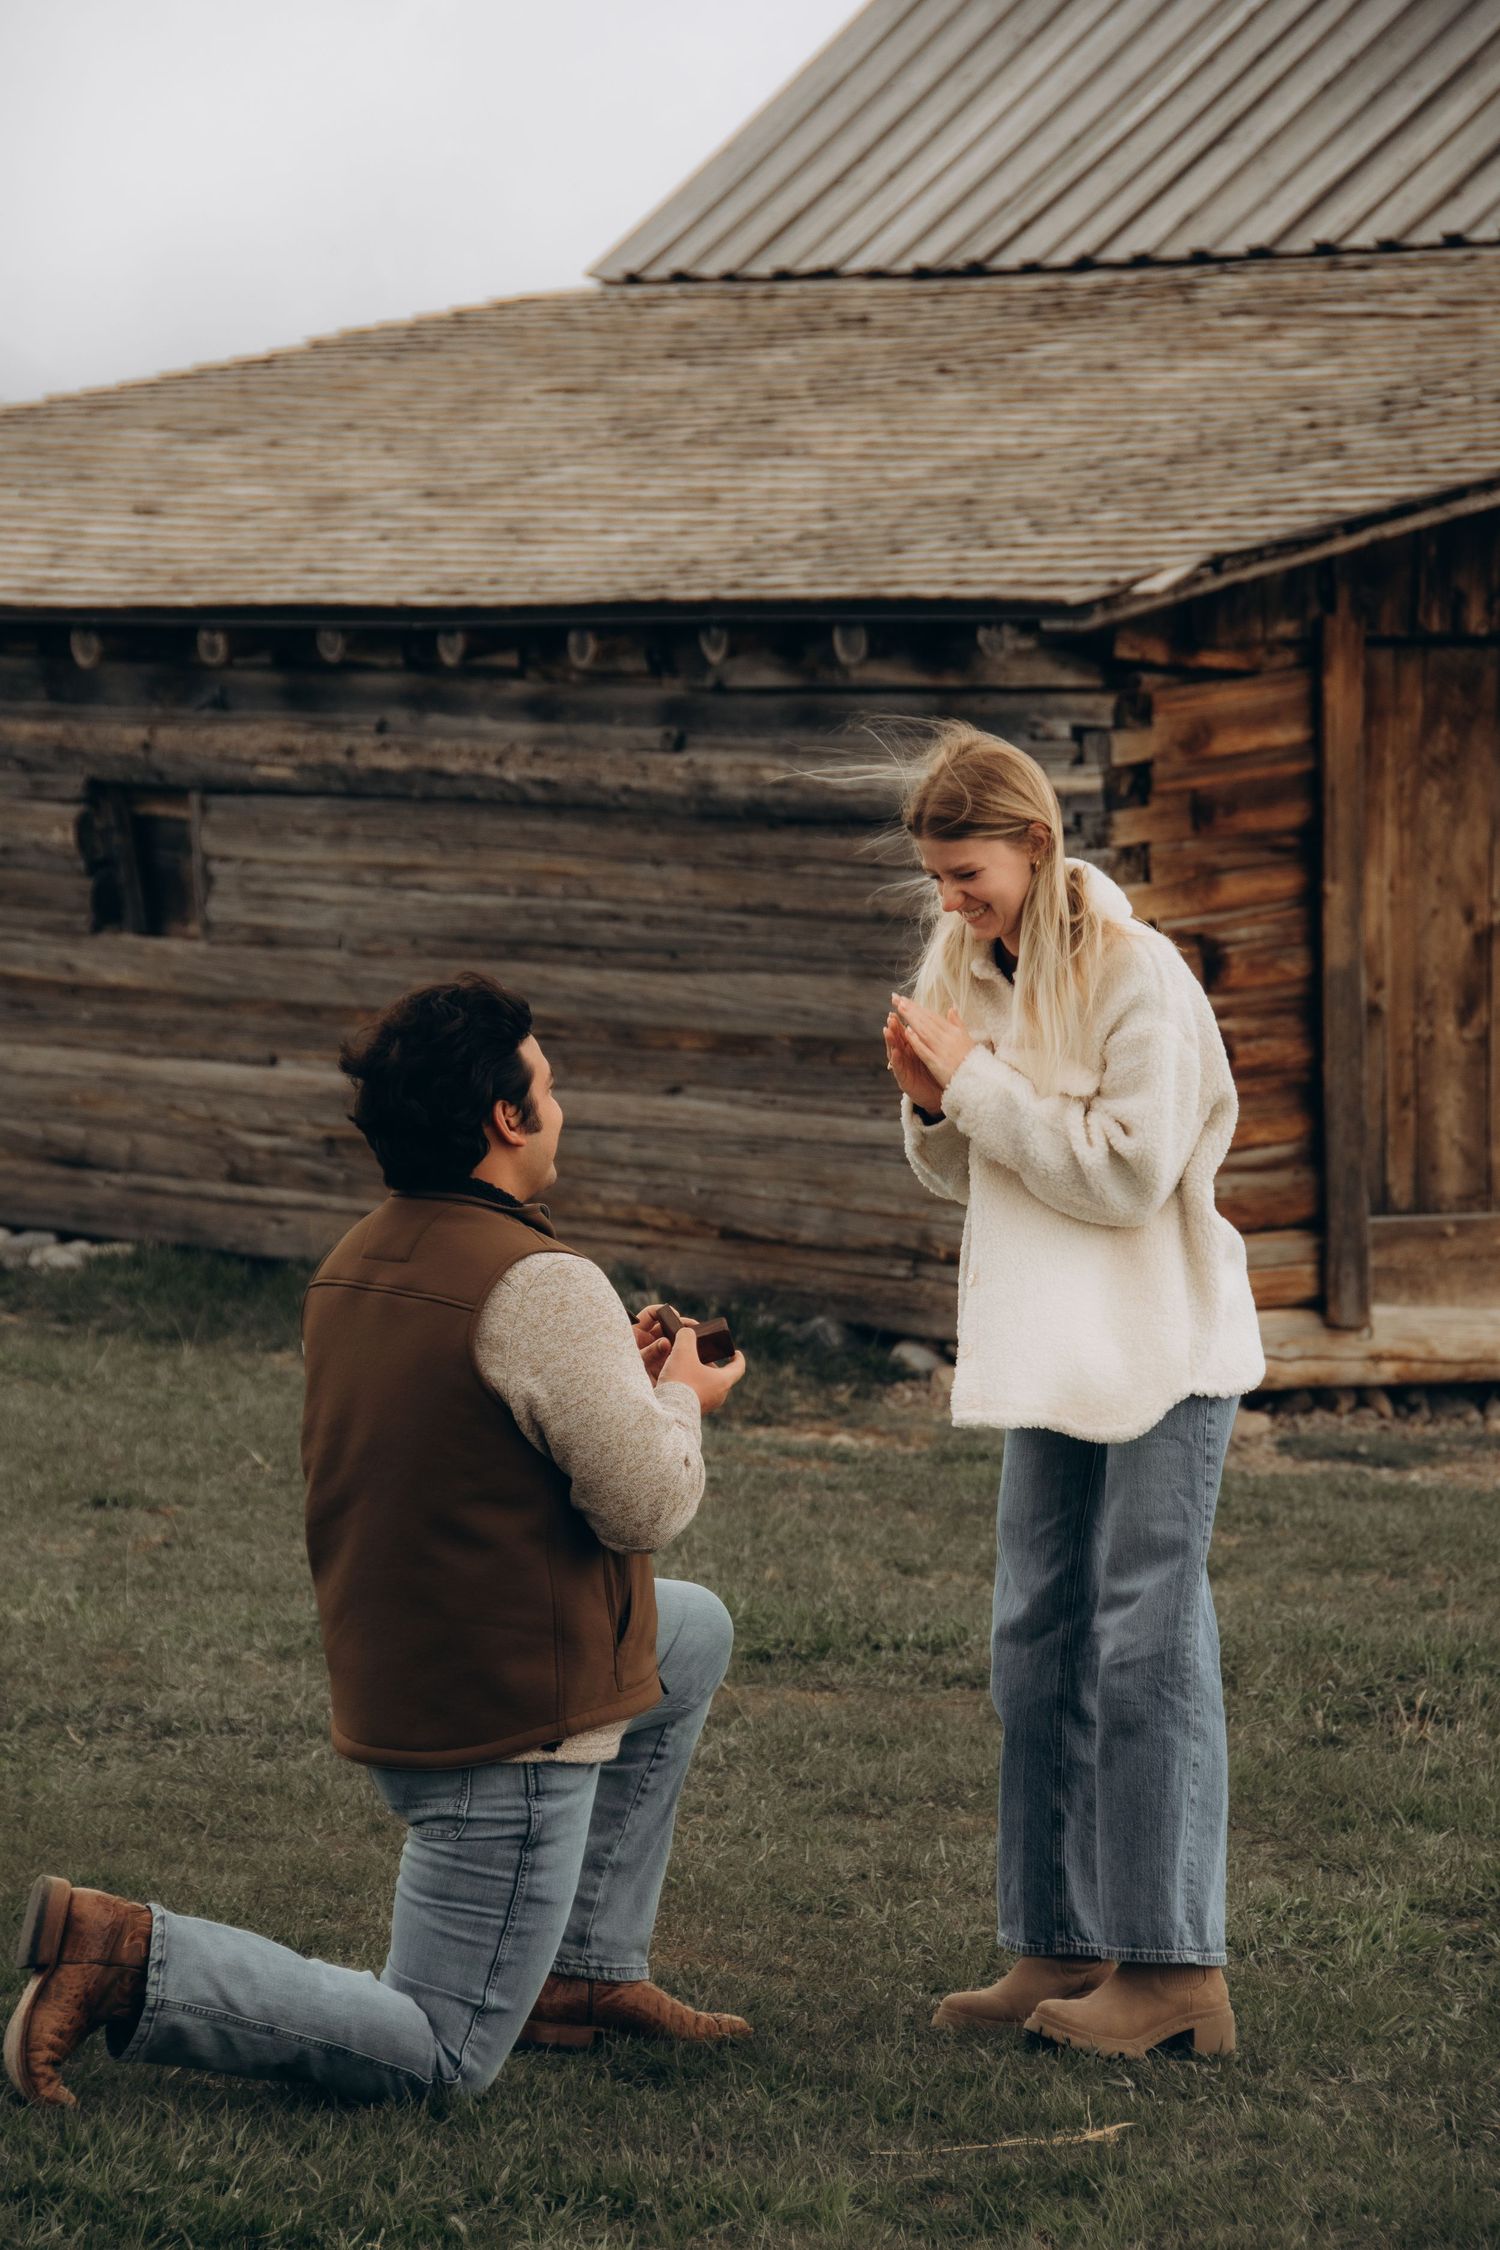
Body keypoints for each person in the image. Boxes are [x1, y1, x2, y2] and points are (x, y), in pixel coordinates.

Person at [7, 972, 748, 2108]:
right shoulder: (546, 1284)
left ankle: (580, 1973)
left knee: (687, 1630)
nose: (563, 1107)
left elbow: (468, 1442)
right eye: (549, 1086)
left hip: (408, 1673)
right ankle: (133, 1956)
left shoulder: (355, 1259)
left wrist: (620, 1382)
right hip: (506, 1721)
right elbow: (643, 1508)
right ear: (507, 1118)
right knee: (438, 2056)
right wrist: (683, 1401)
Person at [881, 723, 1265, 2061]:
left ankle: (1174, 1972)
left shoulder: (1136, 975)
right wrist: (936, 1110)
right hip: (1050, 1355)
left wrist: (975, 1089)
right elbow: (968, 1172)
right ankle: (1058, 1938)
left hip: (1161, 1345)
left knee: (1142, 1634)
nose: (949, 901)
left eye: (966, 873)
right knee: (1035, 1633)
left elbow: (1120, 1176)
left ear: (1036, 848)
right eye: (936, 877)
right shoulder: (960, 961)